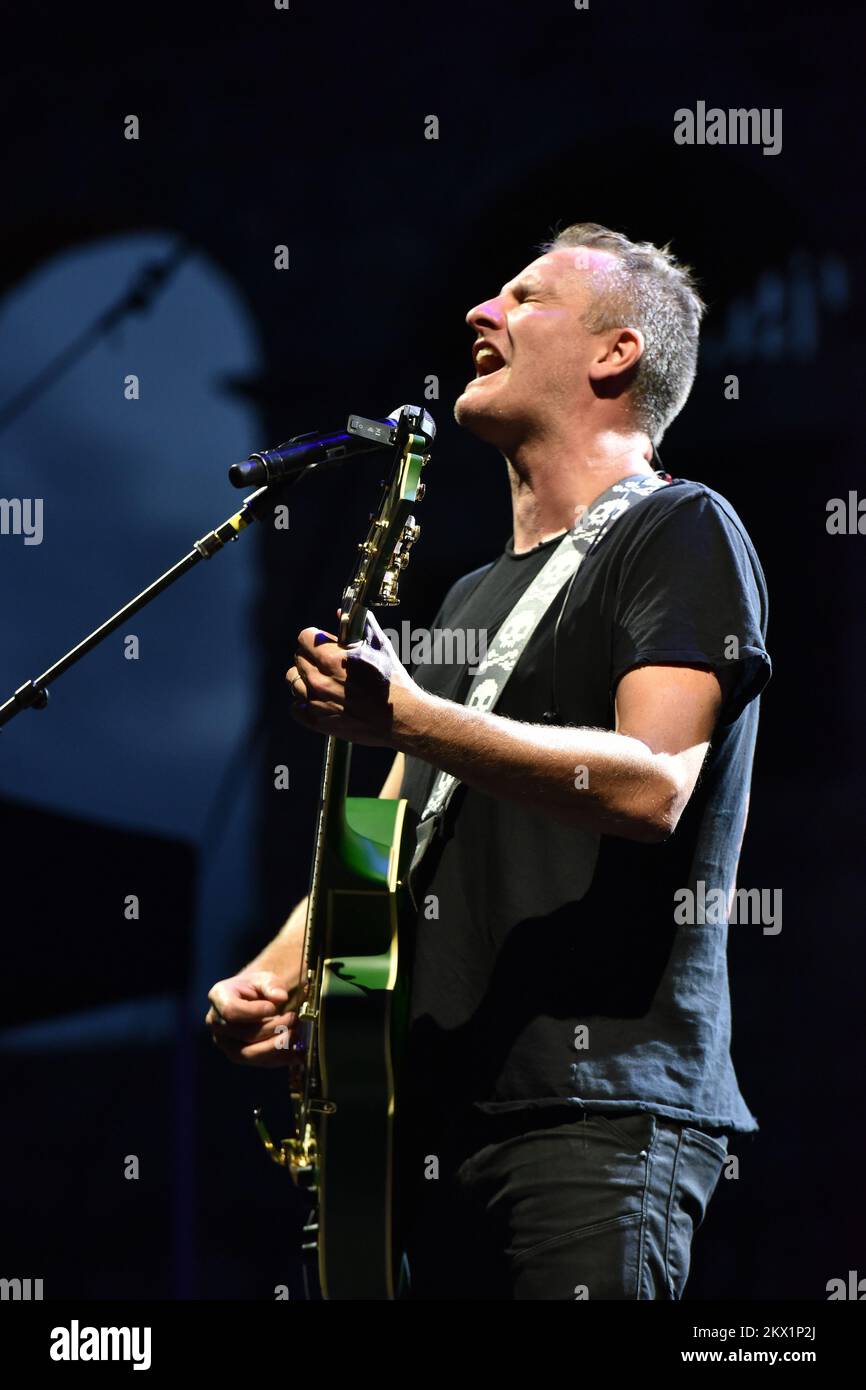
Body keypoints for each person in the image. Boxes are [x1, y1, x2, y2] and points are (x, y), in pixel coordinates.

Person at [206, 222, 771, 1300]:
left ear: (614, 354)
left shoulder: (680, 528)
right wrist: (278, 969)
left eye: (524, 299)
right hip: (424, 1117)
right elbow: (386, 829)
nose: (480, 313)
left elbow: (653, 785)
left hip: (592, 1116)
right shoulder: (469, 597)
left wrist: (412, 716)